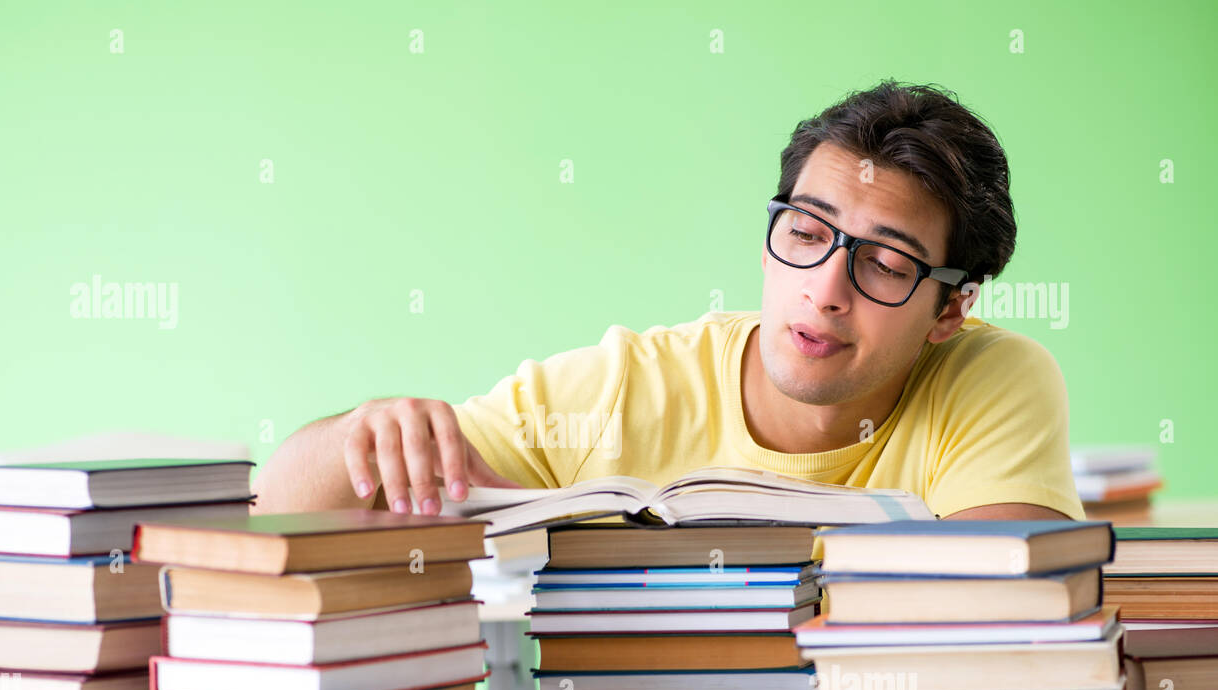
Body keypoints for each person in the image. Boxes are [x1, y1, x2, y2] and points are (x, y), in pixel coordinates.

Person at [254, 79, 1083, 523]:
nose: (824, 290)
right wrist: (364, 437)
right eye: (805, 232)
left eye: (887, 263)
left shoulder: (992, 379)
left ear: (950, 311)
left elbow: (1006, 611)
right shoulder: (622, 388)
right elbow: (275, 509)